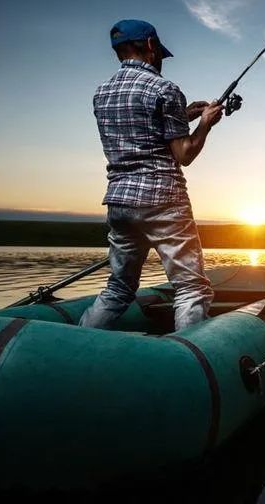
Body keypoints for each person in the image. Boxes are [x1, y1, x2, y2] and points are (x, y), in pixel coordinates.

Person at [79, 19, 223, 331]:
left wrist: (183, 115)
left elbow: (136, 129)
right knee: (191, 288)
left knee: (118, 289)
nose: (159, 58)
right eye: (158, 50)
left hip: (119, 201)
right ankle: (188, 361)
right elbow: (184, 154)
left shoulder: (101, 93)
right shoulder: (165, 89)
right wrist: (206, 123)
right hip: (162, 201)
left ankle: (74, 344)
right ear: (149, 46)